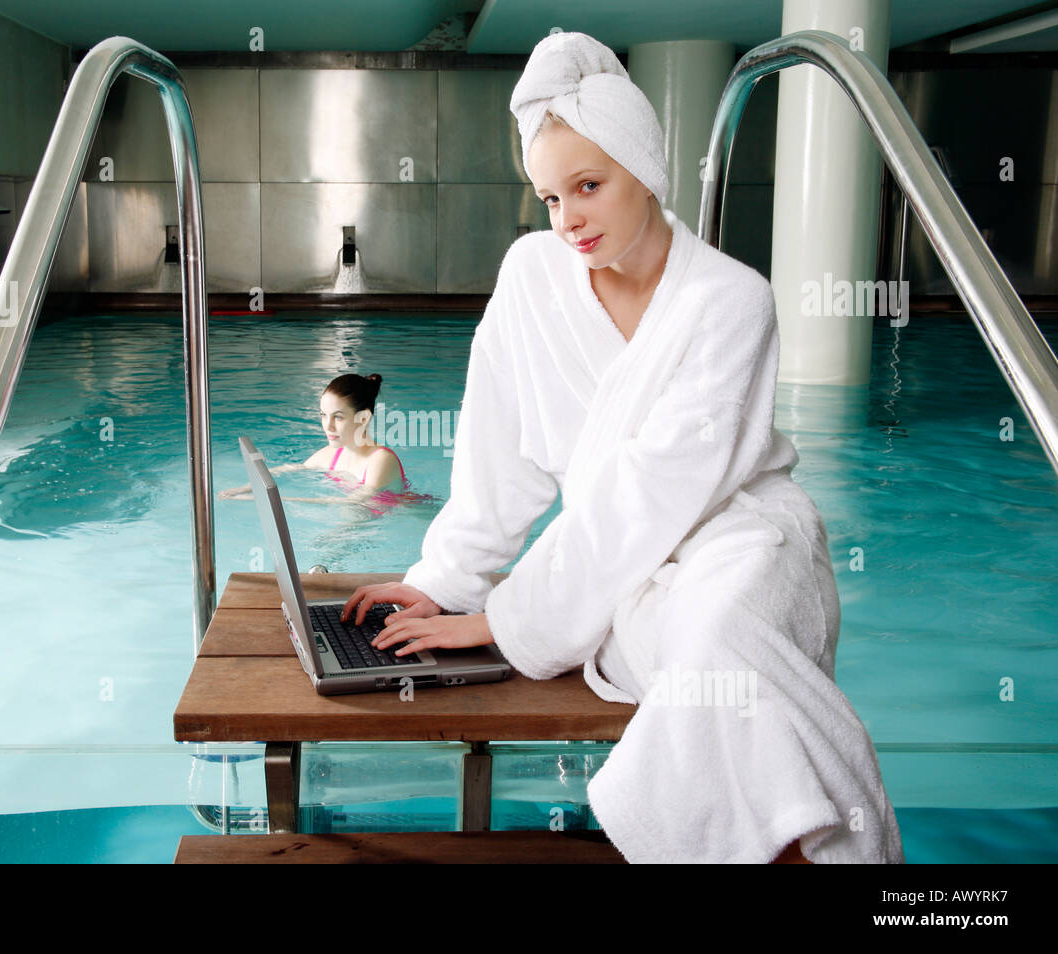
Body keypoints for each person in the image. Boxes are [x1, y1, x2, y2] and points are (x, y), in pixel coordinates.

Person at [341, 31, 904, 864]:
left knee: (722, 649)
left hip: (740, 535)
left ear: (645, 167)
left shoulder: (730, 301)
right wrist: (446, 585)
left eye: (589, 186)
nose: (567, 219)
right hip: (621, 572)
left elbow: (651, 493)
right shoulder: (532, 278)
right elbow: (498, 461)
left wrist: (505, 621)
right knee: (727, 689)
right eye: (549, 197)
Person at [219, 373, 409, 509]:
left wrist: (275, 499)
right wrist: (242, 489)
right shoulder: (333, 453)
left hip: (408, 517)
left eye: (338, 417)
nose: (328, 426)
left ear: (363, 418)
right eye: (323, 415)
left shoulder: (380, 460)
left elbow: (352, 502)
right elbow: (291, 469)